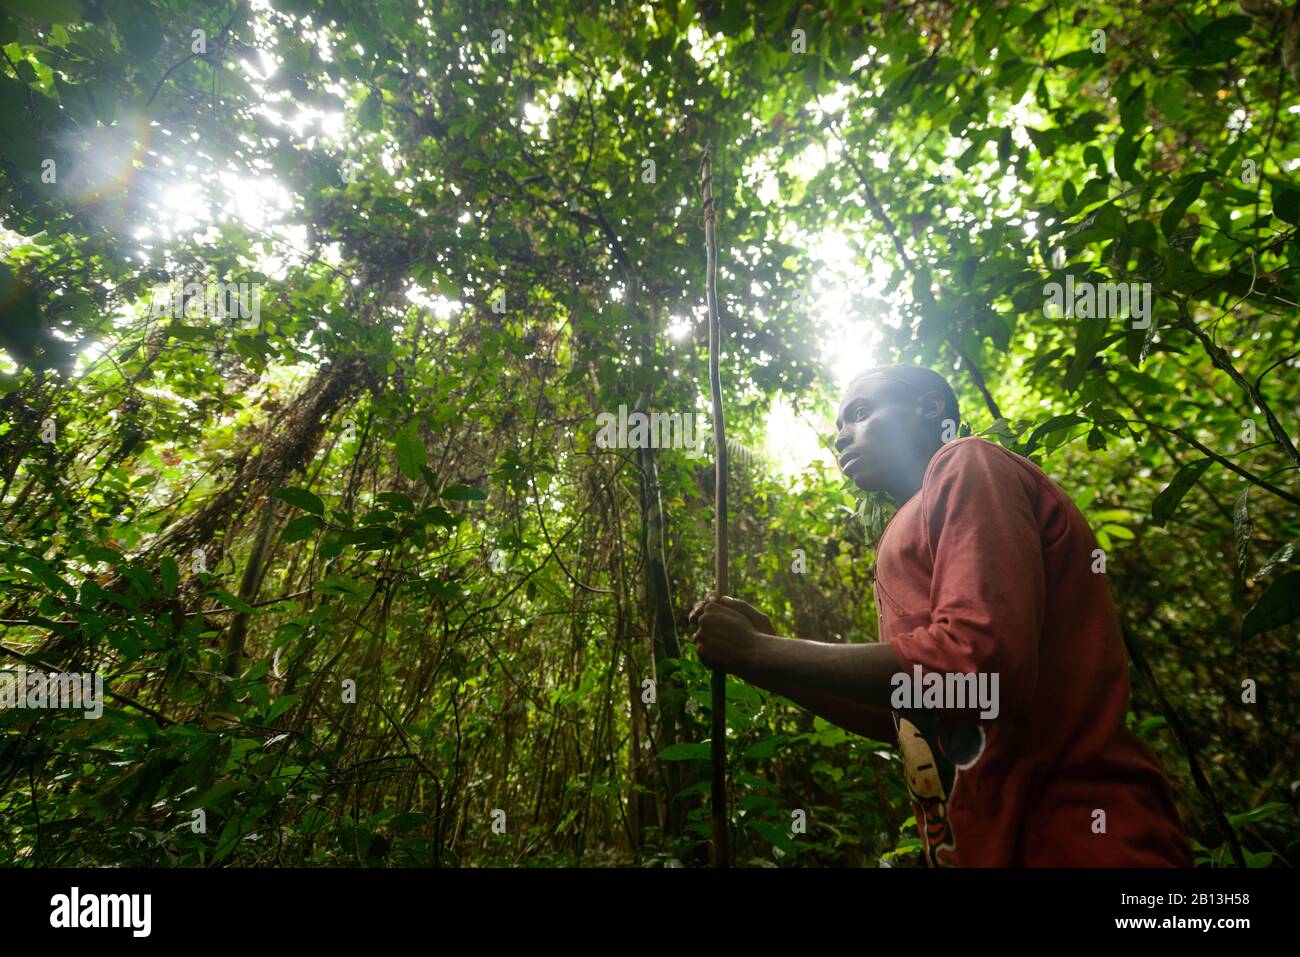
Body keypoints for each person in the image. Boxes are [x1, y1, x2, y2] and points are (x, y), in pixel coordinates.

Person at [688, 365, 1193, 867]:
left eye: (860, 413)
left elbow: (978, 669)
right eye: (838, 425)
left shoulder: (967, 463)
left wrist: (760, 650)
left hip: (1079, 840)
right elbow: (914, 716)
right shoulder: (908, 524)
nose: (841, 435)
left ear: (929, 409)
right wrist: (768, 659)